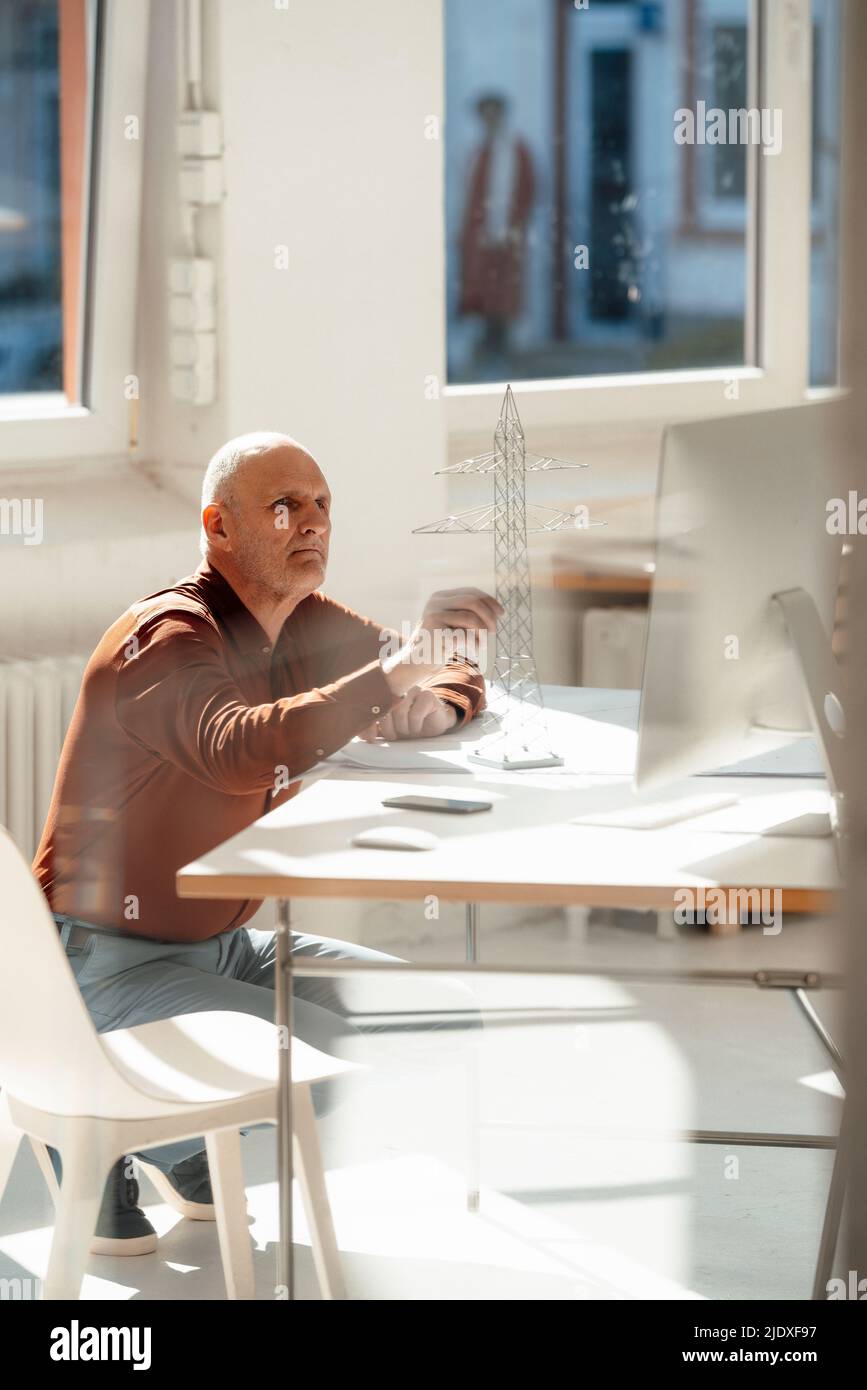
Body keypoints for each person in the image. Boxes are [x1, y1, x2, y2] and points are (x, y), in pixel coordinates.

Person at [32, 430, 500, 1255]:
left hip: (224, 948)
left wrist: (440, 700)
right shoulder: (166, 637)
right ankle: (108, 1140)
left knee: (435, 1021)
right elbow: (236, 746)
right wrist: (399, 677)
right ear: (218, 526)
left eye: (321, 505)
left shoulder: (298, 623)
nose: (311, 522)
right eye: (283, 506)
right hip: (100, 966)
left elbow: (431, 669)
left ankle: (178, 1142)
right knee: (316, 1066)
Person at [458, 93, 535, 366]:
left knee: (505, 293)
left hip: (506, 236)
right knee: (480, 291)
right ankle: (484, 348)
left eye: (494, 114)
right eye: (485, 115)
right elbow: (470, 196)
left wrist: (513, 227)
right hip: (479, 238)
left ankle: (505, 350)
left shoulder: (516, 151)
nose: (490, 121)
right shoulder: (477, 152)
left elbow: (528, 191)